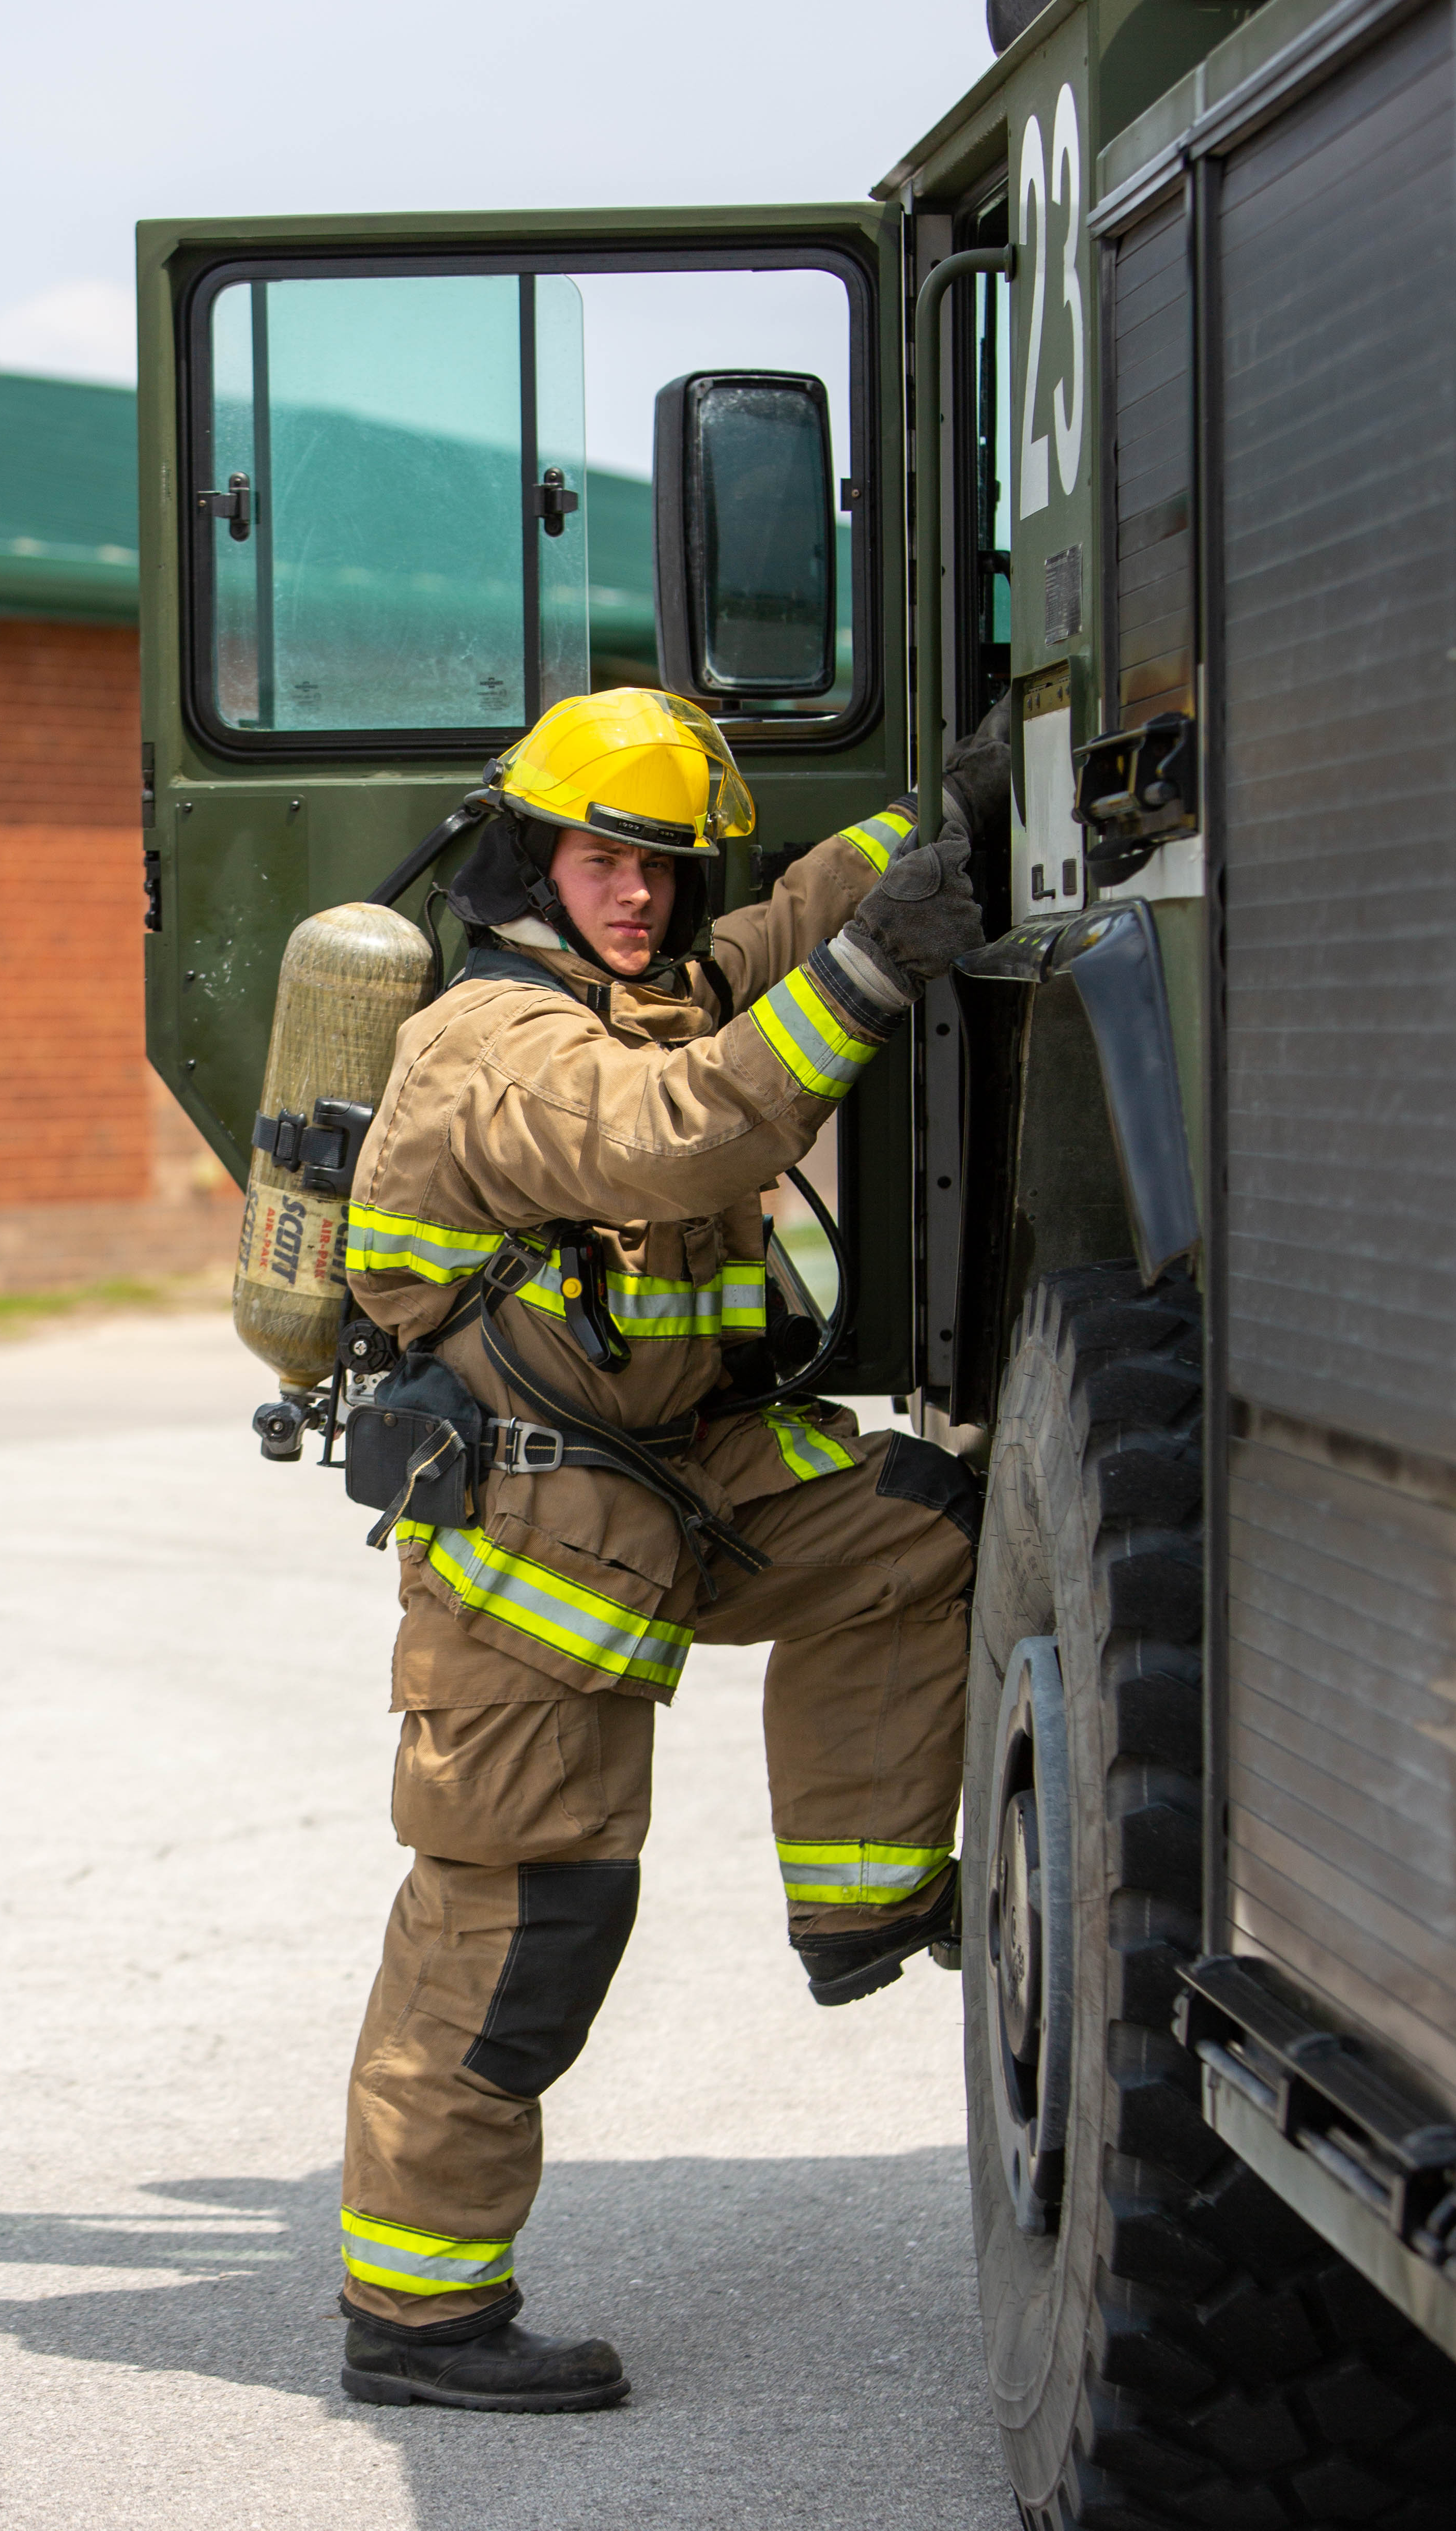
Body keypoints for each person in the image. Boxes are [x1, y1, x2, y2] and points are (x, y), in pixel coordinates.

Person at [336, 687, 1006, 2413]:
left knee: (913, 1531)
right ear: (530, 856)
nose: (639, 893)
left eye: (659, 866)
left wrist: (940, 812)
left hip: (672, 1491)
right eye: (602, 856)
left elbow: (780, 917)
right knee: (518, 1920)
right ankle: (420, 2318)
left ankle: (861, 1907)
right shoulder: (496, 1045)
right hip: (530, 1545)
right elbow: (676, 1129)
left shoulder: (637, 983)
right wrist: (870, 980)